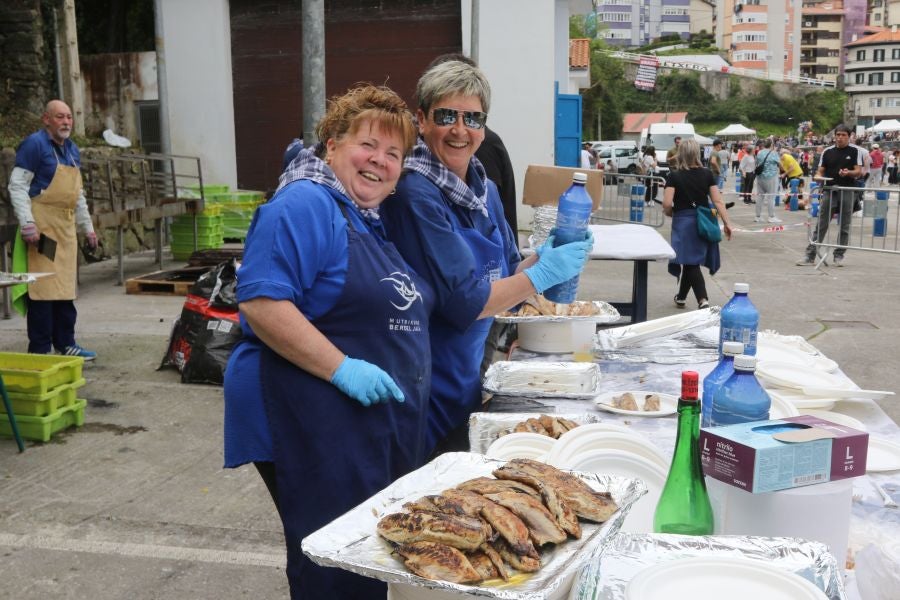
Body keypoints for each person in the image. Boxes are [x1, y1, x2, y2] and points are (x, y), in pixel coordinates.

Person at [223, 84, 430, 598]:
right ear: (332, 144)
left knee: (360, 558)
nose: (379, 162)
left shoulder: (364, 218)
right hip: (307, 415)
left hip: (352, 422)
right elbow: (262, 302)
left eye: (393, 154)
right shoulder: (306, 201)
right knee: (334, 564)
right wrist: (343, 368)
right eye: (367, 145)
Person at [380, 59, 592, 454]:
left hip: (466, 370)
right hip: (424, 376)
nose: (461, 130)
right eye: (447, 116)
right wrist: (541, 274)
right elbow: (465, 303)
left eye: (473, 119)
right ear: (422, 120)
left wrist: (548, 257)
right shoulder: (414, 194)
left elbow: (509, 272)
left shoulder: (484, 189)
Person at [7, 100, 98, 360]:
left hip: (66, 229)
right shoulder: (34, 145)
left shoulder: (72, 150)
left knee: (65, 289)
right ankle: (40, 349)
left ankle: (66, 342)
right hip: (42, 230)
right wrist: (27, 223)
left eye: (69, 117)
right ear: (46, 119)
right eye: (60, 117)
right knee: (44, 289)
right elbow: (17, 187)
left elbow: (77, 194)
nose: (66, 122)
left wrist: (88, 228)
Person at [663, 138, 733, 310]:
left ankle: (703, 300)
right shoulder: (707, 174)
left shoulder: (674, 176)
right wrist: (726, 223)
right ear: (697, 153)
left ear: (681, 154)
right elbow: (718, 201)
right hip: (704, 221)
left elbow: (666, 203)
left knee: (690, 261)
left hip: (683, 222)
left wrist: (672, 213)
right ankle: (680, 297)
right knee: (690, 261)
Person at [797, 124, 862, 267]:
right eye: (838, 135)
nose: (839, 137)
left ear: (849, 136)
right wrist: (818, 176)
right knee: (821, 223)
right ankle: (810, 255)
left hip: (848, 190)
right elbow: (820, 171)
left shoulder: (855, 151)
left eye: (843, 135)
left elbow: (859, 171)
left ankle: (839, 255)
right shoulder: (827, 152)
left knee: (845, 224)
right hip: (829, 189)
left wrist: (848, 173)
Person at [754, 139, 781, 223]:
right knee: (771, 197)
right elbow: (780, 165)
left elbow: (757, 163)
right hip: (771, 177)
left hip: (760, 177)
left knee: (760, 196)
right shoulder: (774, 153)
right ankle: (771, 216)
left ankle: (757, 216)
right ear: (771, 145)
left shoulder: (759, 152)